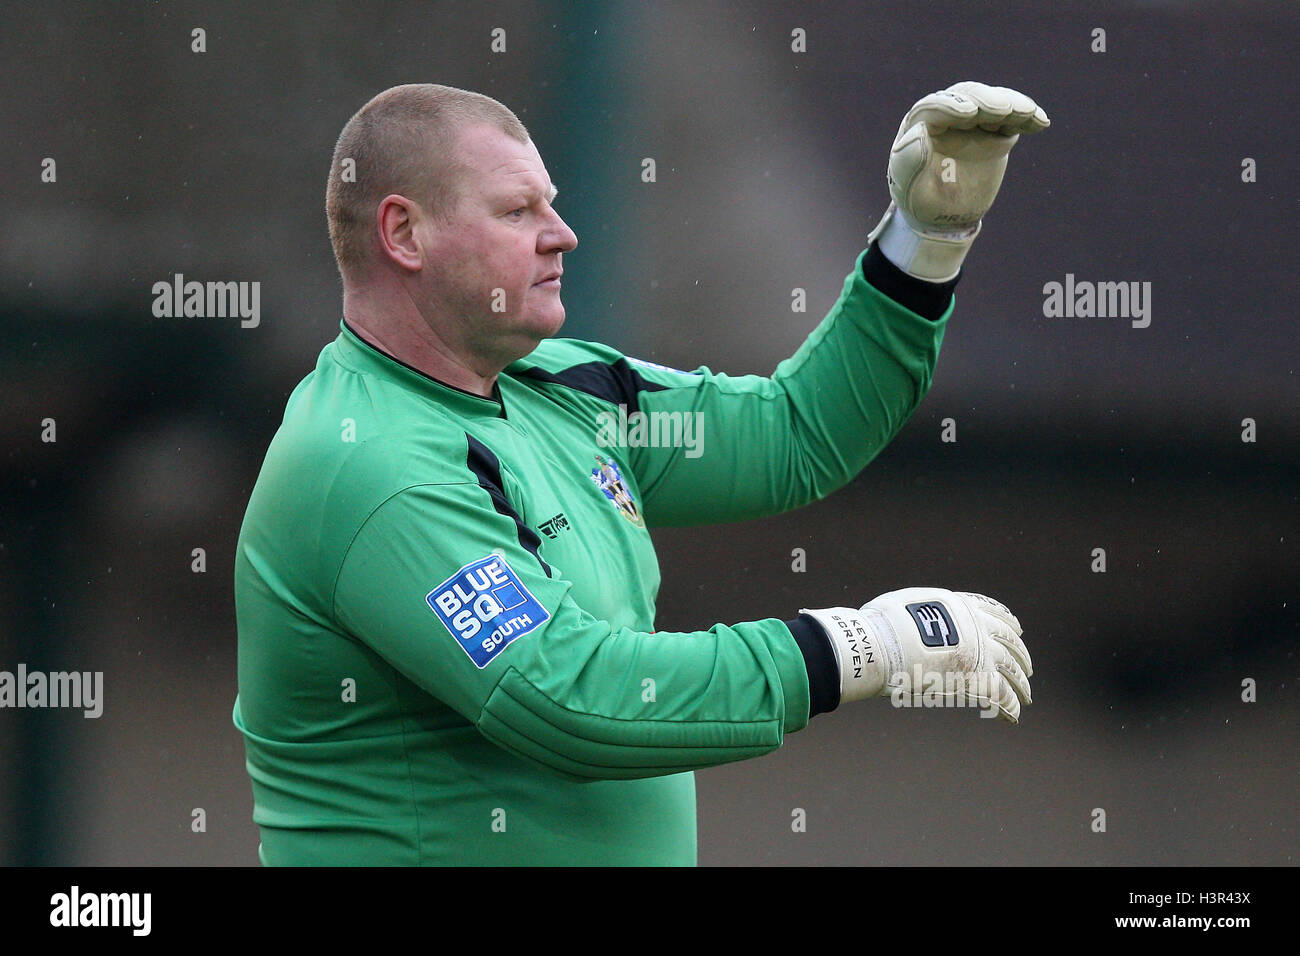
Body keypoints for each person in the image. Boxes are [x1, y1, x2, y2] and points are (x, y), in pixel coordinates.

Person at [233, 81, 1047, 866]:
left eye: (550, 202)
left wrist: (924, 241)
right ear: (404, 234)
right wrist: (857, 648)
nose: (562, 233)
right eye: (517, 211)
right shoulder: (369, 460)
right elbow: (571, 697)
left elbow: (794, 433)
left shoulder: (561, 388)